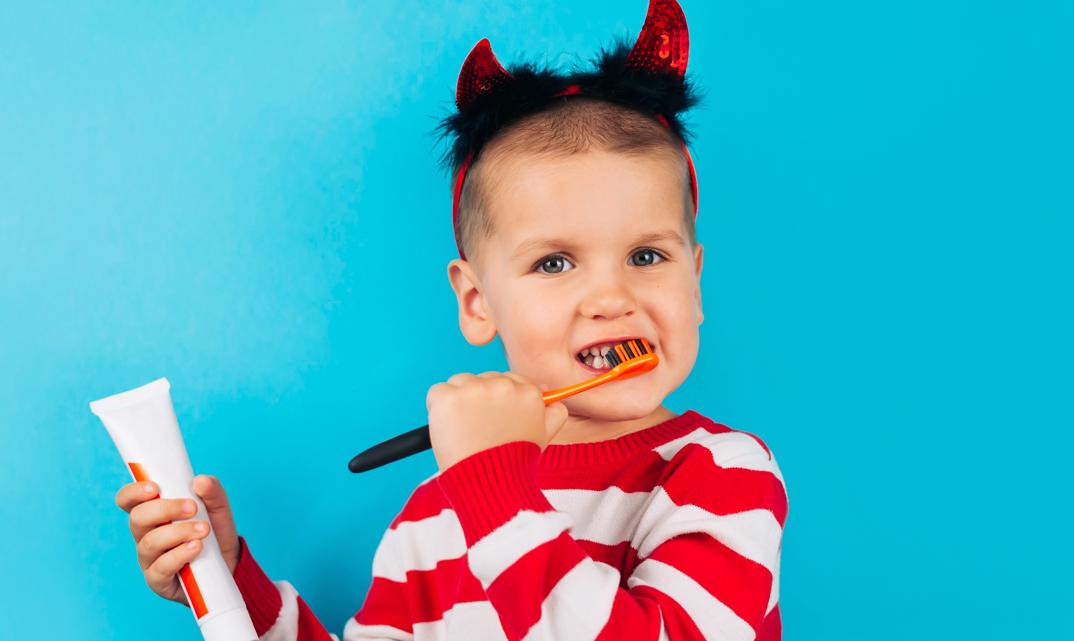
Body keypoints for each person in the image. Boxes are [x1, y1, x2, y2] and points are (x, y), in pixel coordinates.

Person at [114, 1, 788, 638]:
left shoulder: (721, 475)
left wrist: (493, 481)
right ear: (477, 303)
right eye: (555, 263)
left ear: (694, 284)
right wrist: (227, 579)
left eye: (646, 255)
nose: (611, 297)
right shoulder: (435, 513)